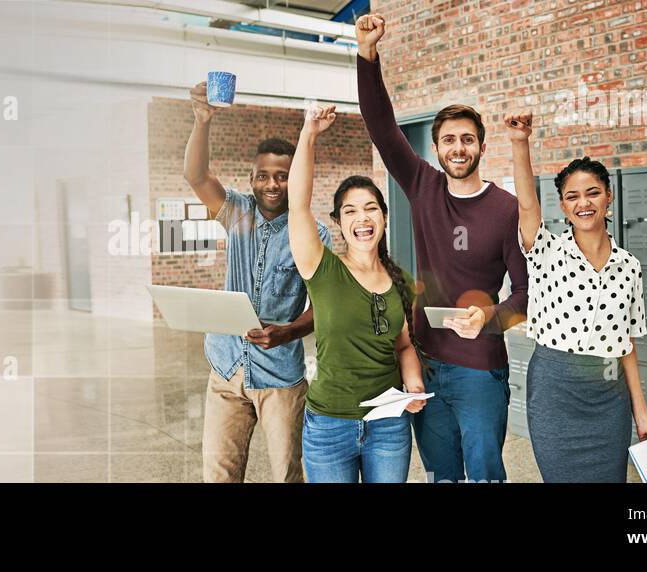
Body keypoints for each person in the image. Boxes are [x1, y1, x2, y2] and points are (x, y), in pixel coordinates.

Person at [354, 12, 528, 483]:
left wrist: (489, 317)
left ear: (481, 147)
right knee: (441, 476)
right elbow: (381, 125)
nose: (458, 147)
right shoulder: (422, 186)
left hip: (480, 370)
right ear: (435, 149)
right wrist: (367, 55)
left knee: (486, 475)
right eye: (448, 140)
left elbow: (527, 297)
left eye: (467, 139)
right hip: (426, 364)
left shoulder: (506, 207)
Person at [184, 81, 333, 483]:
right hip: (226, 367)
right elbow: (196, 175)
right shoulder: (237, 212)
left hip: (280, 377)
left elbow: (325, 305)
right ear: (250, 178)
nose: (272, 184)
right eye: (263, 176)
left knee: (288, 474)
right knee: (219, 475)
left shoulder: (314, 234)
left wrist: (288, 332)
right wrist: (202, 121)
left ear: (295, 178)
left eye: (283, 176)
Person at [508, 114, 647, 482]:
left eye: (593, 192)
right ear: (563, 207)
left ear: (608, 197)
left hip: (608, 399)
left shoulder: (629, 266)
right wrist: (520, 143)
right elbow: (528, 205)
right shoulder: (545, 249)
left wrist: (641, 416)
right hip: (554, 389)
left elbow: (626, 345)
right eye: (572, 196)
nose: (584, 203)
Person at [286, 103, 427, 483]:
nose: (361, 219)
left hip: (388, 426)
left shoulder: (402, 281)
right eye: (350, 212)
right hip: (329, 426)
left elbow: (404, 346)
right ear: (338, 222)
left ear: (383, 216)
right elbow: (296, 206)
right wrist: (309, 134)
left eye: (370, 210)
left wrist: (413, 384)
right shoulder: (323, 267)